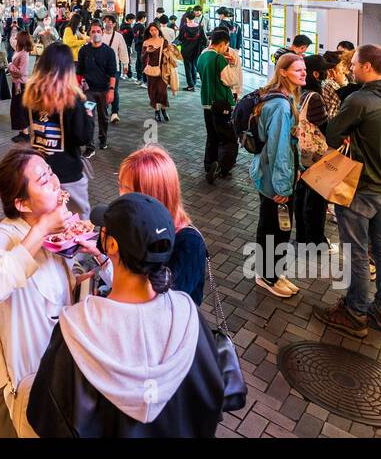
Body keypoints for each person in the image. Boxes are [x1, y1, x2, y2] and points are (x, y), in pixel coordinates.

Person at [26, 193, 226, 438]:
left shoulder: (75, 329)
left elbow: (47, 417)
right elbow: (211, 399)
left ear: (111, 245)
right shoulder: (188, 316)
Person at [0, 149, 82, 437]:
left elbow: (64, 298)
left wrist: (92, 257)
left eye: (50, 171)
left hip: (54, 386)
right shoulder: (4, 234)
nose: (55, 181)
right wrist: (45, 226)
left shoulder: (59, 235)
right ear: (22, 203)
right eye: (43, 179)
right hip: (13, 390)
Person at [314, 44, 381, 339]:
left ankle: (355, 313)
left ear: (368, 67)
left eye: (354, 64)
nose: (350, 68)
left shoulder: (360, 100)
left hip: (359, 187)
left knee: (355, 253)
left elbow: (332, 134)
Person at [119, 146, 205, 307]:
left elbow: (165, 305)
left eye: (128, 190)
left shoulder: (188, 243)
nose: (121, 196)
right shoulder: (138, 225)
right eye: (120, 186)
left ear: (152, 195)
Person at [249, 53, 304, 299]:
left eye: (303, 69)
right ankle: (268, 276)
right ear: (283, 72)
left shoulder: (279, 96)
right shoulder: (281, 105)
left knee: (272, 225)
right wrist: (282, 186)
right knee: (277, 227)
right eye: (297, 70)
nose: (303, 73)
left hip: (270, 173)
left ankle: (271, 272)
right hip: (275, 177)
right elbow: (279, 148)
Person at [22, 43, 94, 217]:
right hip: (69, 174)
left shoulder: (32, 94)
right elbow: (83, 137)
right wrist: (88, 115)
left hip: (40, 172)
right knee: (78, 221)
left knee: (45, 221)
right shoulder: (72, 99)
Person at [294, 55, 333, 251]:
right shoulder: (314, 97)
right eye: (325, 70)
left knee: (301, 195)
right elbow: (325, 127)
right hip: (315, 155)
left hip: (301, 154)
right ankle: (316, 240)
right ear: (316, 74)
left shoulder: (298, 91)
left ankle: (302, 237)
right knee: (316, 200)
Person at [196, 28, 239, 183]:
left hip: (206, 103)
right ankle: (222, 167)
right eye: (226, 46)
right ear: (222, 44)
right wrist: (232, 65)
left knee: (212, 136)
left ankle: (209, 164)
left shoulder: (202, 56)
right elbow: (230, 81)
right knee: (229, 139)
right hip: (221, 104)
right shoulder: (219, 59)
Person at [76, 22, 118, 152]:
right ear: (89, 33)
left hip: (104, 90)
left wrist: (111, 91)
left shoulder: (109, 52)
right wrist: (77, 88)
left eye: (98, 31)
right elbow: (79, 71)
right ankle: (90, 146)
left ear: (102, 33)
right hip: (89, 91)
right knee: (89, 117)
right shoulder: (84, 50)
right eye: (93, 31)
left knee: (103, 117)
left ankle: (103, 140)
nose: (96, 34)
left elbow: (113, 74)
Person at [102, 15, 131, 123]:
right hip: (100, 68)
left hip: (115, 67)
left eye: (110, 22)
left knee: (114, 89)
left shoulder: (118, 36)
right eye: (105, 21)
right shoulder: (99, 34)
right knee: (102, 90)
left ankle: (114, 112)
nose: (107, 23)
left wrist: (126, 64)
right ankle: (104, 110)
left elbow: (123, 51)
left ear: (114, 24)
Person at [141, 22, 171, 122]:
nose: (154, 32)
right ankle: (157, 111)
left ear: (159, 30)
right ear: (149, 32)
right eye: (151, 30)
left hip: (163, 70)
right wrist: (147, 52)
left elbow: (168, 56)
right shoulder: (146, 42)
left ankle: (163, 109)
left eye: (155, 30)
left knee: (162, 91)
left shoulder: (164, 42)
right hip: (151, 70)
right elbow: (142, 58)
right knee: (153, 92)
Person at [8, 31, 34, 144]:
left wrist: (10, 66)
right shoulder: (19, 50)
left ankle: (25, 134)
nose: (15, 39)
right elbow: (11, 41)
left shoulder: (23, 54)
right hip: (17, 83)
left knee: (20, 109)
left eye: (17, 37)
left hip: (20, 84)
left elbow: (21, 72)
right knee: (17, 109)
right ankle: (22, 132)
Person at [177, 7, 205, 91]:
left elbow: (180, 38)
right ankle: (194, 83)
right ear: (194, 17)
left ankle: (190, 85)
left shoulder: (184, 27)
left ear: (186, 18)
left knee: (187, 67)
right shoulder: (199, 27)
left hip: (186, 50)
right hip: (196, 50)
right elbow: (204, 39)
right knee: (193, 65)